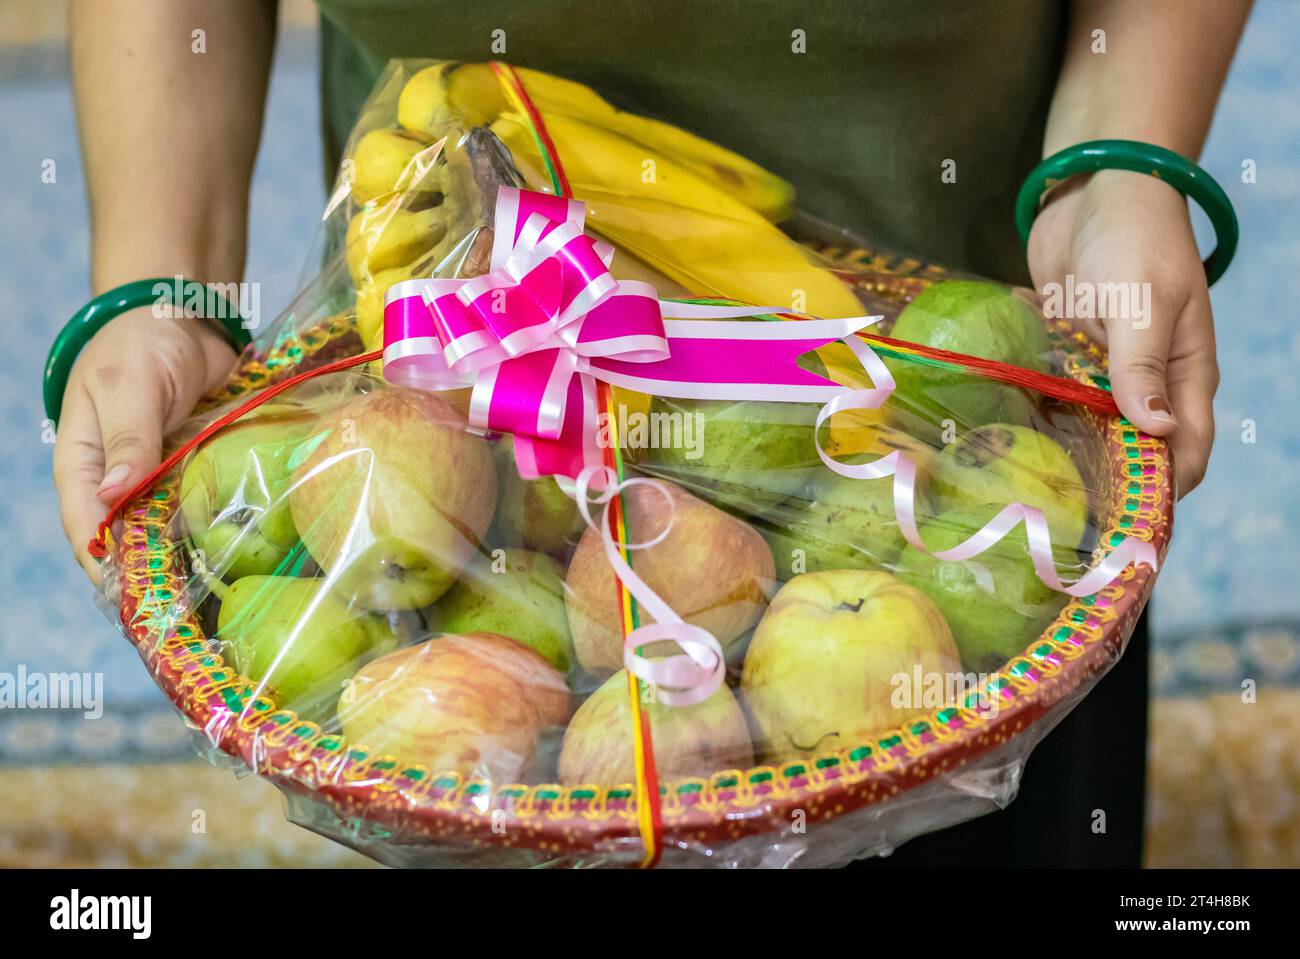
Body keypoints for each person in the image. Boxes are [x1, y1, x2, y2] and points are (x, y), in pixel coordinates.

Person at [55, 0, 1250, 867]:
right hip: (463, 296)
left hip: (926, 338)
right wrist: (163, 284)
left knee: (979, 794)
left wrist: (1120, 168)